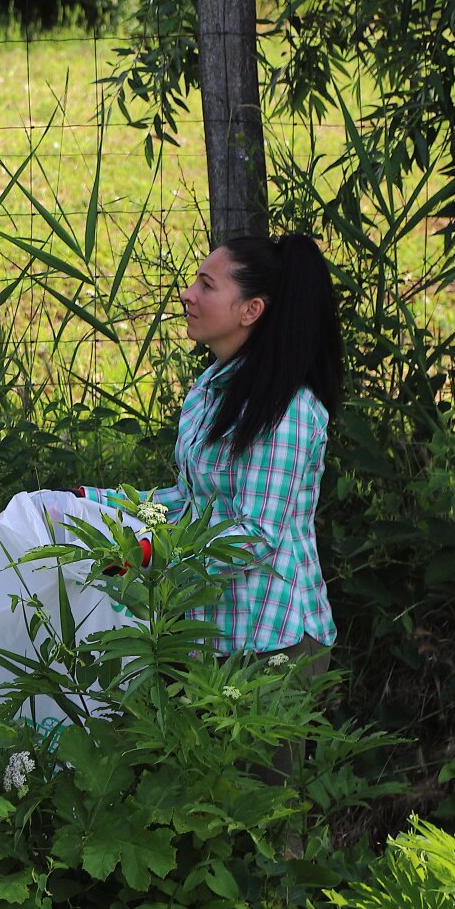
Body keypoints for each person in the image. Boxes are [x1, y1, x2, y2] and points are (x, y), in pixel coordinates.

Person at [86, 234, 343, 666]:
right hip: (213, 633)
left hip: (273, 641)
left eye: (206, 285)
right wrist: (94, 503)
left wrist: (150, 555)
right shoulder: (213, 389)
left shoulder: (286, 411)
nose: (187, 295)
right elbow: (192, 501)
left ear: (250, 310)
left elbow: (257, 534)